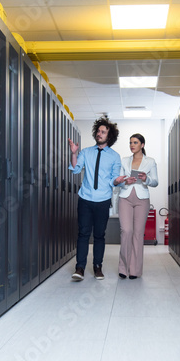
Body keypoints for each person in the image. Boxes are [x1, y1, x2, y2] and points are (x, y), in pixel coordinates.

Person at [68, 117, 125, 281]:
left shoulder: (114, 156)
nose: (99, 134)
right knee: (83, 233)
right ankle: (79, 268)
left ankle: (98, 267)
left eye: (103, 132)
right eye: (98, 131)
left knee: (99, 235)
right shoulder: (86, 152)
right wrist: (74, 153)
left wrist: (118, 180)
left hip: (103, 199)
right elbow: (75, 169)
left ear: (109, 136)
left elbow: (113, 179)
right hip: (85, 198)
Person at [116, 134, 159, 279]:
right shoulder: (124, 160)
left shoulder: (150, 161)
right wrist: (124, 181)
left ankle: (134, 270)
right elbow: (119, 180)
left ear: (142, 145)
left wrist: (146, 179)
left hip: (142, 199)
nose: (132, 145)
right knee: (126, 231)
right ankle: (123, 268)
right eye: (130, 143)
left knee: (138, 233)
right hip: (125, 197)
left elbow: (155, 182)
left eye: (135, 142)